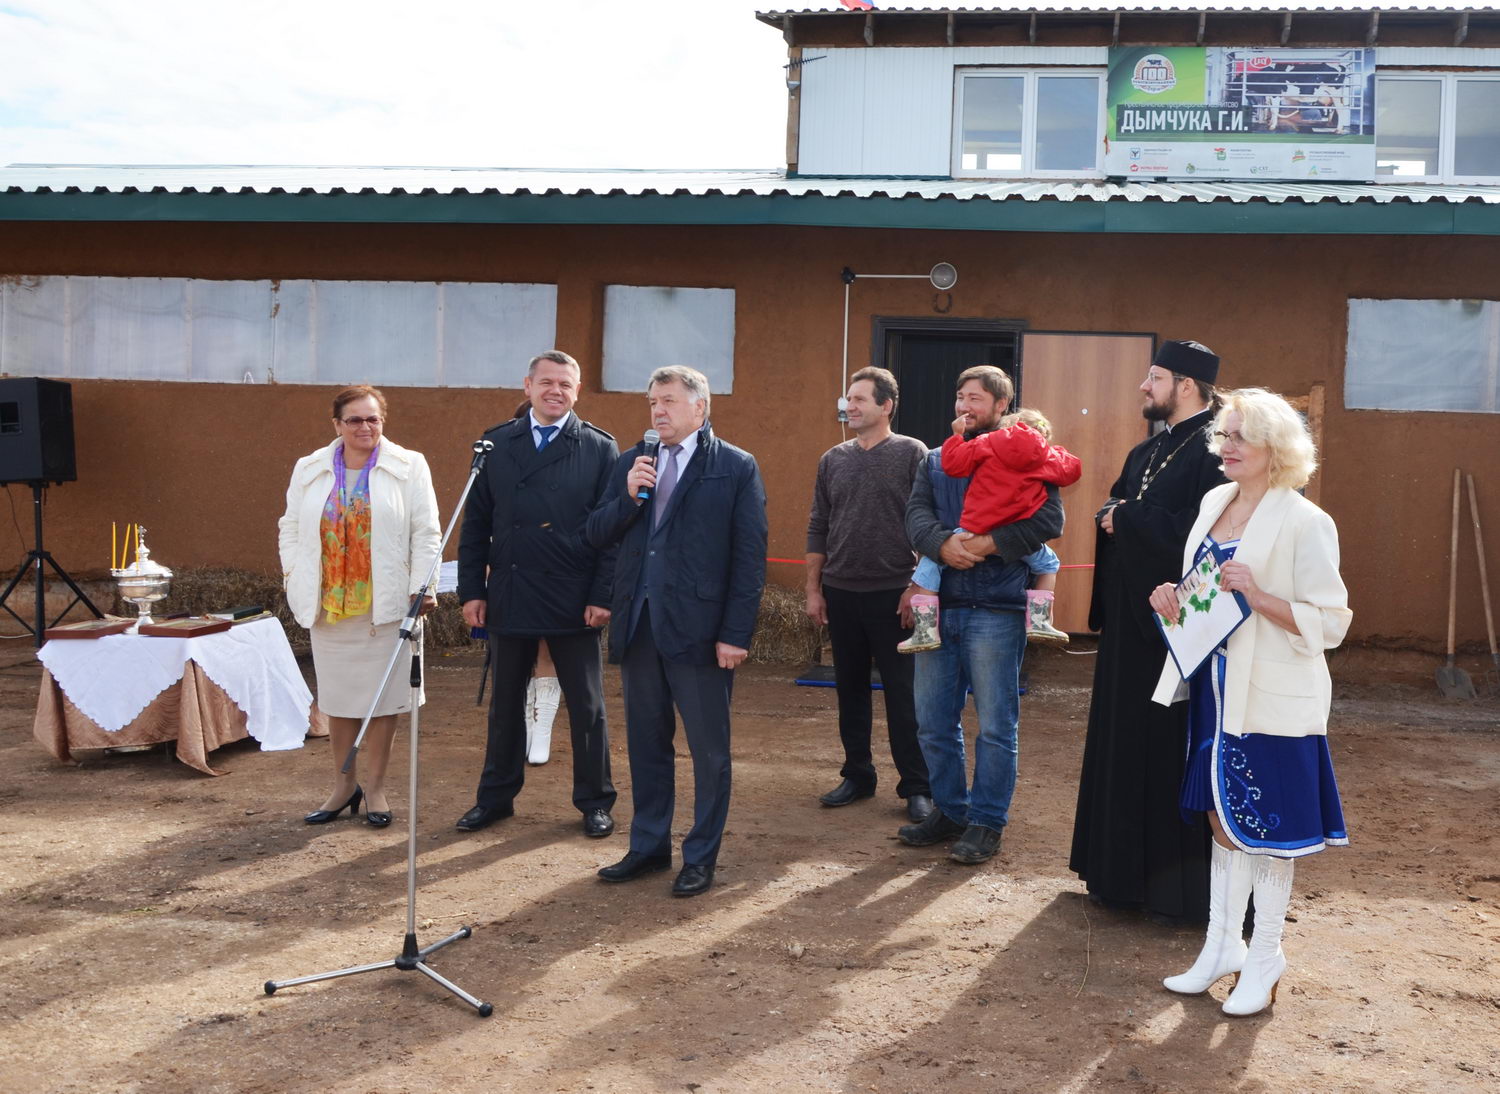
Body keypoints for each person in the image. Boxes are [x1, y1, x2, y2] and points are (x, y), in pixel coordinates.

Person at [1148, 388, 1351, 1016]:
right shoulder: (1214, 502)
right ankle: (1220, 948)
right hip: (1213, 689)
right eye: (1223, 435)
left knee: (1268, 831)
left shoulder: (1307, 521)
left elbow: (1334, 621)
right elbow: (1205, 594)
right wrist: (1171, 597)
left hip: (1272, 697)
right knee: (1220, 816)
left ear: (1275, 448)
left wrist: (1261, 596)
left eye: (1239, 436)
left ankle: (1265, 955)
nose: (1225, 446)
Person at [586, 365, 767, 897]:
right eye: (651, 403)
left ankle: (701, 856)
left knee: (709, 752)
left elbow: (749, 558)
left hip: (702, 632)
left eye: (667, 401)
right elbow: (595, 534)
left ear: (699, 408)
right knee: (646, 744)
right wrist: (627, 496)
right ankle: (647, 846)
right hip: (640, 626)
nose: (657, 411)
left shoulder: (734, 467)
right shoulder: (632, 462)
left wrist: (736, 633)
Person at [1069, 340, 1229, 921]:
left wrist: (1127, 518)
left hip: (1175, 628)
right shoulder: (1148, 451)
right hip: (1128, 629)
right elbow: (1123, 502)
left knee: (1164, 749)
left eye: (1154, 377)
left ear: (1186, 385)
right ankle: (1117, 877)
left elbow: (1204, 533)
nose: (1144, 387)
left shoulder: (1215, 450)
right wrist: (1116, 514)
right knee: (1123, 744)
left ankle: (1168, 891)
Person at [898, 365, 1063, 865]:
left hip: (996, 610)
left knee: (995, 724)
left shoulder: (1026, 455)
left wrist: (992, 544)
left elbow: (1049, 519)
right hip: (941, 608)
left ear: (999, 406)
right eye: (960, 396)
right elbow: (915, 516)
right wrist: (942, 545)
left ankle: (987, 822)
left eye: (976, 398)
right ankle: (950, 810)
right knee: (932, 722)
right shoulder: (933, 460)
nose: (964, 406)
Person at [455, 350, 619, 838]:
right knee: (505, 704)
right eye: (546, 382)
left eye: (565, 385)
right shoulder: (494, 444)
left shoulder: (598, 448)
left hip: (573, 595)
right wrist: (472, 590)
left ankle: (595, 801)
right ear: (527, 386)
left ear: (577, 390)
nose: (556, 392)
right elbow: (475, 524)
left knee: (587, 707)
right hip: (509, 589)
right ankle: (495, 798)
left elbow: (610, 532)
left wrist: (602, 595)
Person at [279, 385, 440, 828]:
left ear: (382, 422)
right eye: (355, 420)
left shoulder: (410, 466)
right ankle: (343, 786)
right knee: (339, 702)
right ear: (337, 425)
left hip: (384, 606)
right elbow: (290, 526)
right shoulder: (309, 469)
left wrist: (422, 586)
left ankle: (376, 788)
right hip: (329, 605)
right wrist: (294, 572)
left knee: (382, 704)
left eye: (373, 419)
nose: (365, 427)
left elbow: (427, 531)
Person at [804, 367, 933, 821]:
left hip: (894, 594)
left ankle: (917, 786)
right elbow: (819, 524)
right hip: (841, 592)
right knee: (849, 690)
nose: (850, 406)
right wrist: (813, 589)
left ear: (886, 406)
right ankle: (858, 775)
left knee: (903, 695)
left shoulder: (913, 454)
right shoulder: (832, 458)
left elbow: (929, 523)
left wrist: (919, 587)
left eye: (859, 399)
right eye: (848, 399)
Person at [901, 404, 1080, 652]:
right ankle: (1040, 620)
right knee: (1048, 564)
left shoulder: (989, 445)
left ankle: (926, 630)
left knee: (930, 567)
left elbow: (952, 463)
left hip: (973, 526)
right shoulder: (1045, 460)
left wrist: (957, 436)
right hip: (1009, 533)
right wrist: (1056, 452)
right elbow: (1072, 470)